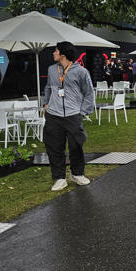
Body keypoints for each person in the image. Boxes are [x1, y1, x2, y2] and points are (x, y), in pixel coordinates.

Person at [43, 42, 95, 192]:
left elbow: (89, 93)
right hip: (53, 115)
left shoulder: (81, 72)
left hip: (73, 115)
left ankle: (77, 174)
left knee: (76, 145)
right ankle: (59, 178)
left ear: (63, 55)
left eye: (56, 50)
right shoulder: (52, 70)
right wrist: (46, 104)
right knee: (54, 147)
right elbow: (48, 88)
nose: (53, 53)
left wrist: (83, 112)